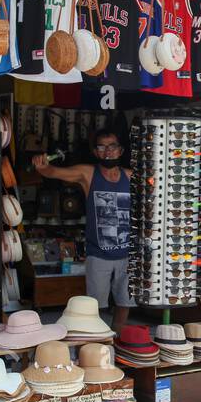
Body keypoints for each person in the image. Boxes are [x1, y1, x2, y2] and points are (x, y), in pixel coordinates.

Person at [31, 129, 131, 331]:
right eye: (102, 147)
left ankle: (118, 345)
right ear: (95, 152)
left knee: (125, 304)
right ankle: (98, 345)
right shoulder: (88, 174)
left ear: (120, 150)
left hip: (128, 255)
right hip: (98, 255)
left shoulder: (130, 177)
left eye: (112, 146)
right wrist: (43, 167)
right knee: (94, 308)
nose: (107, 152)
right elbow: (55, 173)